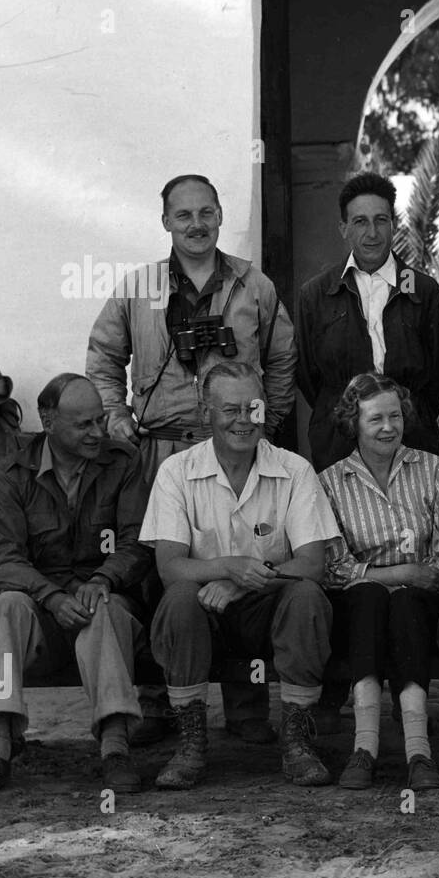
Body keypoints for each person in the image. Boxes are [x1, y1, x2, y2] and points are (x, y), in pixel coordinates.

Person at [87, 173, 297, 746]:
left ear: (221, 216)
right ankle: (163, 704)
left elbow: (282, 360)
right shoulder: (138, 289)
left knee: (241, 559)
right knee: (162, 578)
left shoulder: (255, 287)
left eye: (206, 213)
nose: (197, 224)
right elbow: (103, 356)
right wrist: (116, 416)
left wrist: (265, 424)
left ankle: (247, 705)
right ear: (165, 223)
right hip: (161, 451)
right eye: (184, 215)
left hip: (235, 446)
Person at [139, 363, 339, 789]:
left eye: (254, 408)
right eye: (231, 409)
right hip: (204, 617)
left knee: (306, 597)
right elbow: (170, 566)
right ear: (205, 410)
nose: (244, 420)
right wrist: (228, 567)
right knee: (177, 598)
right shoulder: (176, 471)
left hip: (269, 614)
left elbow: (311, 564)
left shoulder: (294, 470)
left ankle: (297, 739)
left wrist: (241, 581)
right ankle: (191, 740)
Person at [0, 374, 152, 793]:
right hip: (42, 617)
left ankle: (115, 747)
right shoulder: (13, 474)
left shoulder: (122, 464)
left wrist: (104, 577)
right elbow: (0, 558)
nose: (97, 432)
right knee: (4, 609)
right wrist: (49, 596)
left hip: (105, 613)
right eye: (83, 424)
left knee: (104, 610)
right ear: (48, 422)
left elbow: (138, 542)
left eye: (100, 421)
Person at [318, 374, 439, 791]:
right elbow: (333, 566)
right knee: (369, 597)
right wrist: (397, 575)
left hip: (423, 599)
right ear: (353, 423)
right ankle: (365, 748)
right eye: (375, 418)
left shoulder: (431, 468)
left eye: (395, 416)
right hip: (363, 604)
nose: (388, 427)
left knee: (405, 604)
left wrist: (417, 580)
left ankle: (419, 751)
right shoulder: (331, 482)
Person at [296, 172, 439, 471]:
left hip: (411, 438)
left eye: (381, 220)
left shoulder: (424, 290)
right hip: (338, 443)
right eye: (360, 222)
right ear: (343, 228)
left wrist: (405, 412)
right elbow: (308, 375)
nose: (372, 233)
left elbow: (435, 379)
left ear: (393, 225)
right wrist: (347, 411)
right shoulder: (316, 293)